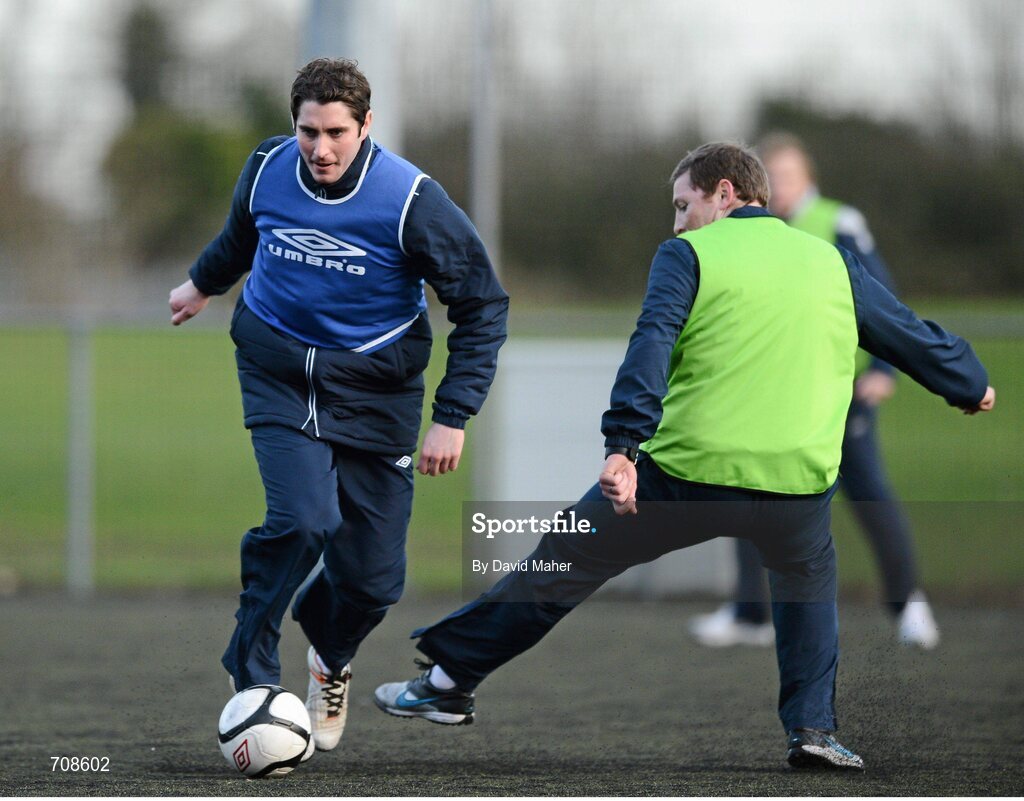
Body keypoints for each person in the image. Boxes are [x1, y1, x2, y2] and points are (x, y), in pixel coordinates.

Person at [371, 142, 995, 770]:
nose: (675, 222)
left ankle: (447, 687)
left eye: (682, 204)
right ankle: (813, 731)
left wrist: (621, 447)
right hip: (795, 484)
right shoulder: (831, 262)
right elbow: (906, 331)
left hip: (680, 478)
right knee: (807, 591)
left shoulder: (687, 254)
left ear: (724, 193)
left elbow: (651, 344)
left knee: (562, 560)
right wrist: (970, 384)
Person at [168, 58, 508, 754]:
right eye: (307, 131)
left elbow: (482, 304)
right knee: (303, 518)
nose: (319, 149)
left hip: (377, 393)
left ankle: (328, 650)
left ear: (366, 126)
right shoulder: (267, 167)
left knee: (375, 579)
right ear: (291, 124)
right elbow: (242, 235)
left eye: (336, 133)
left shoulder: (411, 199)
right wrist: (201, 283)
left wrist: (453, 412)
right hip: (277, 370)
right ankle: (252, 666)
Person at [688, 133, 940, 650]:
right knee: (746, 492)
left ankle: (908, 604)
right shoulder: (750, 230)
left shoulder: (838, 222)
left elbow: (882, 300)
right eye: (769, 175)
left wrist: (884, 372)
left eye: (785, 174)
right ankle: (750, 613)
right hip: (773, 396)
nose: (777, 185)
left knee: (869, 495)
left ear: (807, 177)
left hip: (837, 395)